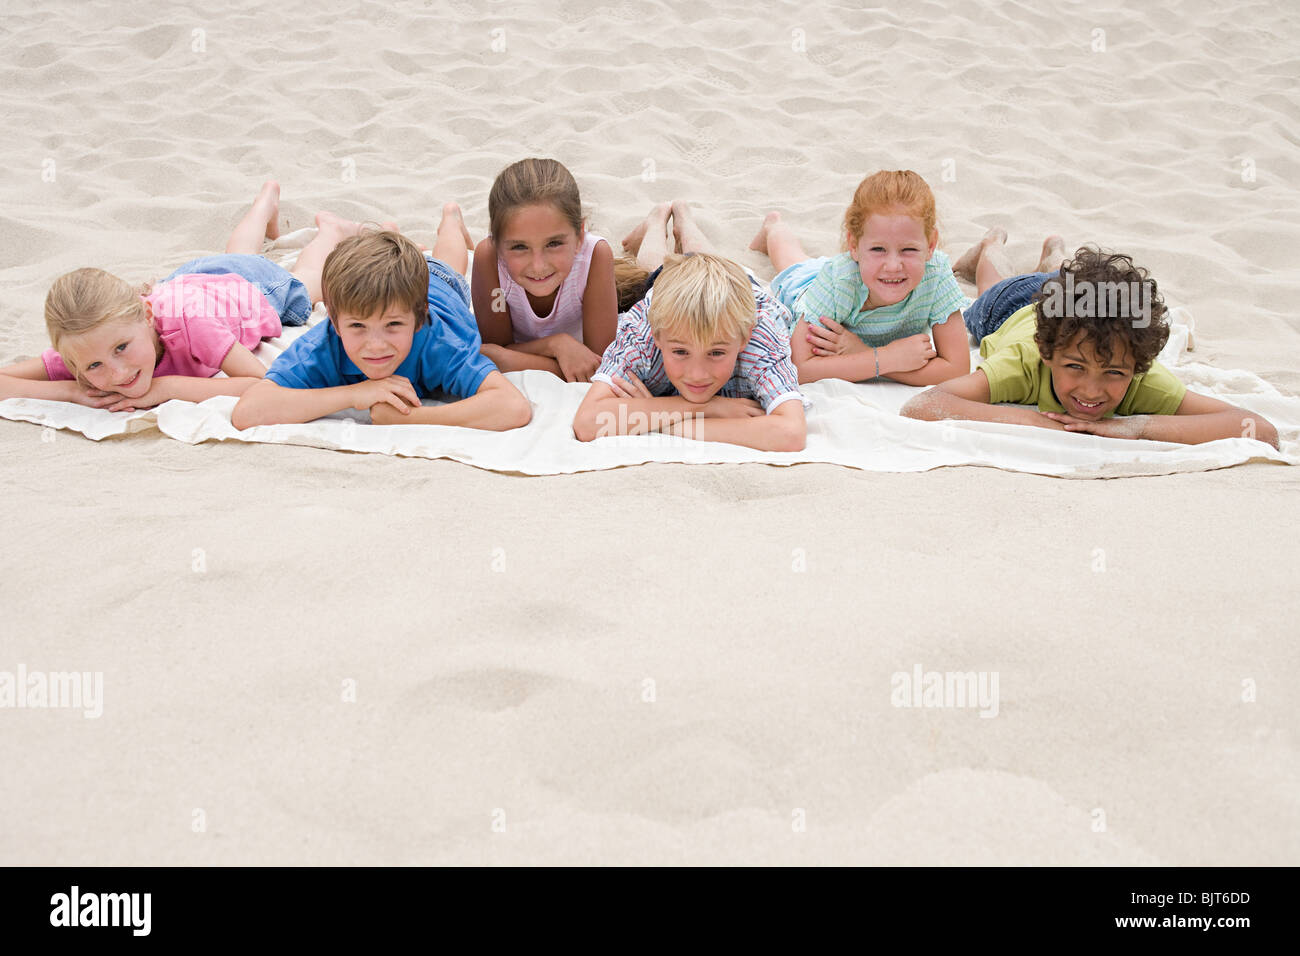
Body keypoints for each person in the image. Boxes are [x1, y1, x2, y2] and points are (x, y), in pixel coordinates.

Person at [0, 181, 350, 412]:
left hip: (251, 290)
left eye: (121, 348)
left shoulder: (192, 325)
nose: (117, 373)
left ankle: (331, 230)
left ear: (148, 315)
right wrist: (71, 392)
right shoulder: (89, 344)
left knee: (304, 283)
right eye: (94, 367)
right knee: (237, 254)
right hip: (190, 281)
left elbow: (260, 383)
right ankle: (266, 201)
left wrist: (167, 388)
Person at [900, 242, 1280, 449]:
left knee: (1063, 276)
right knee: (989, 288)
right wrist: (1034, 421)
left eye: (1114, 372)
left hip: (1071, 304)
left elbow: (1258, 429)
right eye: (1075, 367)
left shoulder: (1142, 380)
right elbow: (925, 405)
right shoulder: (1022, 362)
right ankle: (990, 247)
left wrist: (1137, 426)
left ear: (1138, 366)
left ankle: (1057, 255)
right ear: (1046, 355)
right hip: (1013, 307)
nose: (1091, 391)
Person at [231, 227, 531, 431]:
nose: (375, 345)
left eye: (393, 326)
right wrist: (353, 394)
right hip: (397, 292)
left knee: (447, 261)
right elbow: (248, 411)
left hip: (440, 284)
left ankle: (450, 221)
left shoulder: (440, 342)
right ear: (333, 321)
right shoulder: (324, 345)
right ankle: (397, 242)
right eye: (358, 326)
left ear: (418, 319)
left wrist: (410, 419)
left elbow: (512, 407)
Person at [572, 234, 806, 452]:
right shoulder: (641, 335)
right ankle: (655, 223)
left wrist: (663, 422)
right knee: (655, 268)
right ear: (657, 336)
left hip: (735, 287)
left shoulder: (759, 338)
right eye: (681, 351)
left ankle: (684, 221)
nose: (697, 374)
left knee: (706, 254)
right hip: (670, 285)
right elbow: (587, 423)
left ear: (743, 339)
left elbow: (791, 434)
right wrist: (706, 408)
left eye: (715, 353)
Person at [749, 169, 969, 386]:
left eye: (908, 249)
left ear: (930, 245)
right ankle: (773, 226)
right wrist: (885, 359)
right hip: (810, 287)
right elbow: (798, 367)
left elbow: (957, 368)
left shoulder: (936, 272)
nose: (893, 266)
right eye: (878, 249)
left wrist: (865, 353)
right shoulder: (839, 282)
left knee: (801, 259)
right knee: (793, 263)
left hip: (854, 276)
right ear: (853, 245)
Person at [471, 158, 618, 382]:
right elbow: (495, 350)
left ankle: (657, 223)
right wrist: (556, 344)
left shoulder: (596, 255)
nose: (538, 266)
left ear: (579, 236)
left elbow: (599, 363)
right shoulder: (489, 259)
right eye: (519, 247)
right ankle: (451, 222)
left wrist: (516, 358)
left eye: (554, 244)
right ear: (498, 244)